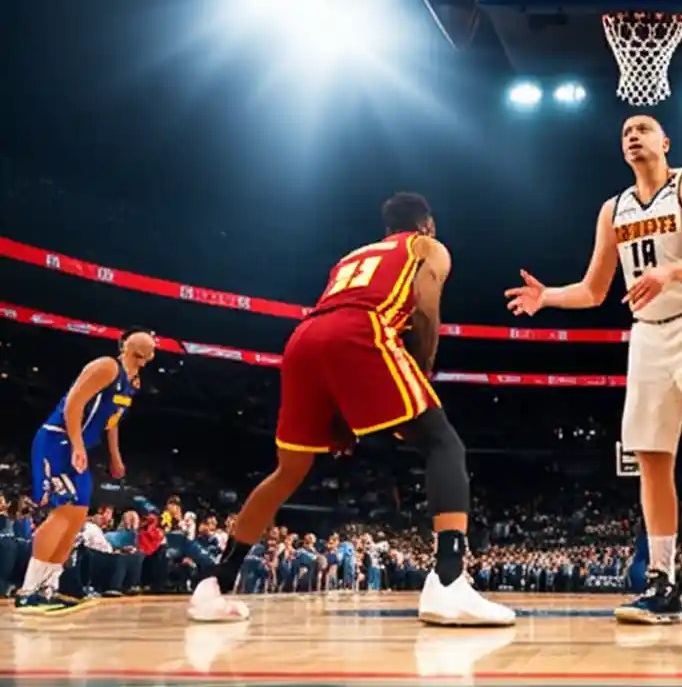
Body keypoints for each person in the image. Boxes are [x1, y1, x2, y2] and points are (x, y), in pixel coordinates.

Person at [187, 192, 513, 626]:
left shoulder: (351, 257)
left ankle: (213, 583)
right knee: (442, 441)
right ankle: (450, 581)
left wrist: (342, 415)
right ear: (428, 224)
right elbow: (427, 311)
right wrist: (423, 372)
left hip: (305, 338)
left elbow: (335, 335)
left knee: (288, 470)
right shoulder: (428, 246)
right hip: (363, 329)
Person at [504, 115, 682, 627]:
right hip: (649, 331)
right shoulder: (614, 209)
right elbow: (593, 290)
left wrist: (670, 270)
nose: (632, 135)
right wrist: (547, 298)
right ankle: (662, 583)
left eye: (644, 128)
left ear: (665, 142)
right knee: (650, 456)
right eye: (625, 130)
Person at [15, 329, 155, 615]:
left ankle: (49, 588)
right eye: (142, 342)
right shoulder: (106, 366)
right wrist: (78, 445)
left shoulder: (132, 383)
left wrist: (115, 457)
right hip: (57, 439)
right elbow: (73, 403)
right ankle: (28, 591)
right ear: (127, 345)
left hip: (76, 445)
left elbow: (112, 420)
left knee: (78, 515)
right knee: (63, 511)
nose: (147, 346)